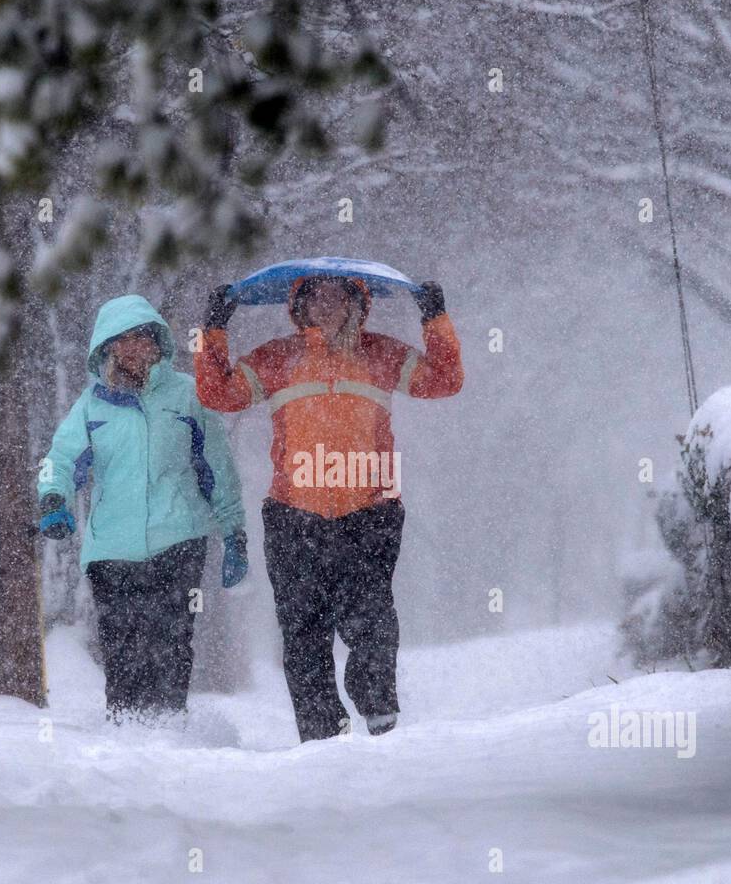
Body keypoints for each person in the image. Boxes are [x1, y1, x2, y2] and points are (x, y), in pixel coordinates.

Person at [194, 273, 463, 741]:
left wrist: (434, 317)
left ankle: (379, 709)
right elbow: (219, 394)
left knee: (373, 616)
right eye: (315, 297)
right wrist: (214, 329)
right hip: (293, 515)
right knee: (303, 632)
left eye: (339, 296)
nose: (327, 305)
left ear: (357, 304)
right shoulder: (277, 359)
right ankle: (322, 733)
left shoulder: (381, 354)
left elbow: (444, 380)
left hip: (370, 512)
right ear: (299, 307)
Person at [38, 294, 247, 722]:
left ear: (158, 343)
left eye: (143, 338)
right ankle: (126, 729)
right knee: (123, 642)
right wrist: (54, 499)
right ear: (107, 348)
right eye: (124, 340)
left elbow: (217, 470)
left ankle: (169, 726)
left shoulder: (189, 396)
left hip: (179, 538)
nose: (134, 348)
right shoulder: (91, 405)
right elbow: (58, 459)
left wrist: (234, 533)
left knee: (172, 637)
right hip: (112, 548)